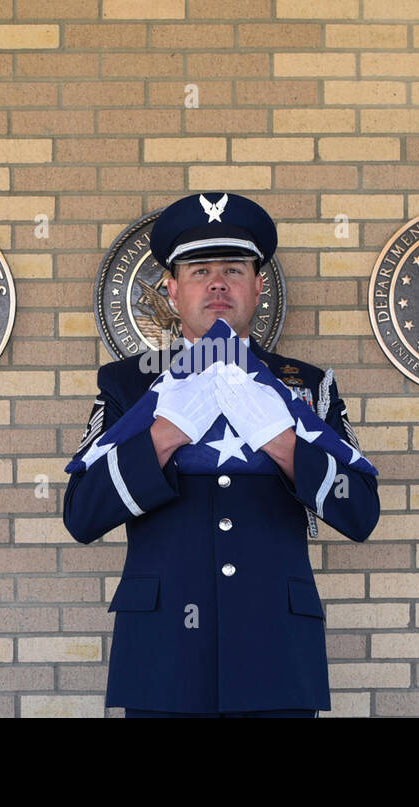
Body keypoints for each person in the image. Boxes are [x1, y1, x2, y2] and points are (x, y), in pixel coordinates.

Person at [63, 192, 380, 717]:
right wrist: (165, 432)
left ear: (258, 287)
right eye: (198, 270)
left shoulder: (307, 386)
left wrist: (278, 437)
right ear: (171, 288)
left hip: (274, 653)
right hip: (162, 655)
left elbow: (361, 512)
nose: (217, 282)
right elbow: (82, 514)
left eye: (234, 269)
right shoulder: (129, 386)